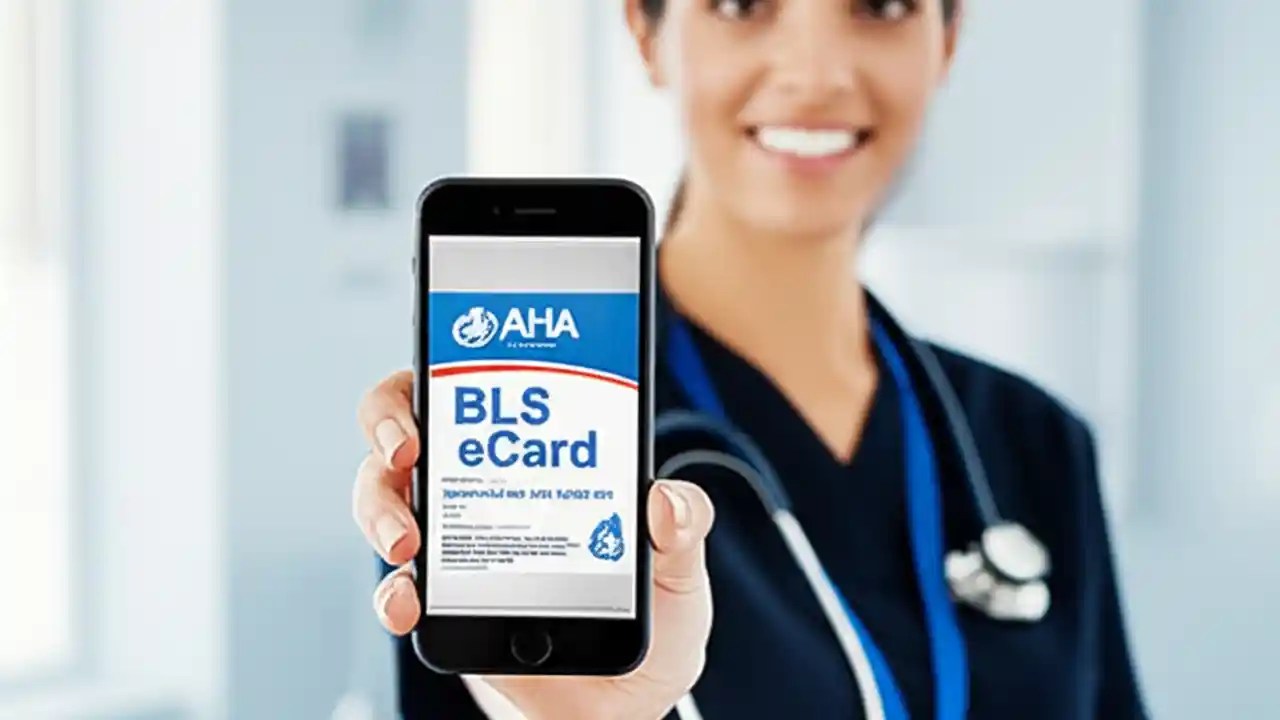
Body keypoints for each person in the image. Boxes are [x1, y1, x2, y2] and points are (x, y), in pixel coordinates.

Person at [351, 0, 1148, 717]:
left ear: (947, 38)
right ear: (646, 32)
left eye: (881, 6)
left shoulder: (1037, 445)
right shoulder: (522, 450)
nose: (815, 74)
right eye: (741, 4)